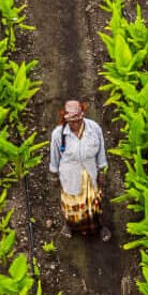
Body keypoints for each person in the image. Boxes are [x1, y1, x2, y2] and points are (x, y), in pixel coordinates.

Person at [49, 99, 111, 240]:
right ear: (65, 119)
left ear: (82, 115)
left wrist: (102, 170)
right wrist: (54, 175)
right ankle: (69, 225)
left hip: (89, 172)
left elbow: (101, 151)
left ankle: (99, 226)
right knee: (71, 204)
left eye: (78, 120)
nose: (75, 123)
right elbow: (54, 157)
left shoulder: (94, 129)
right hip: (69, 174)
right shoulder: (58, 135)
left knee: (94, 203)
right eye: (72, 121)